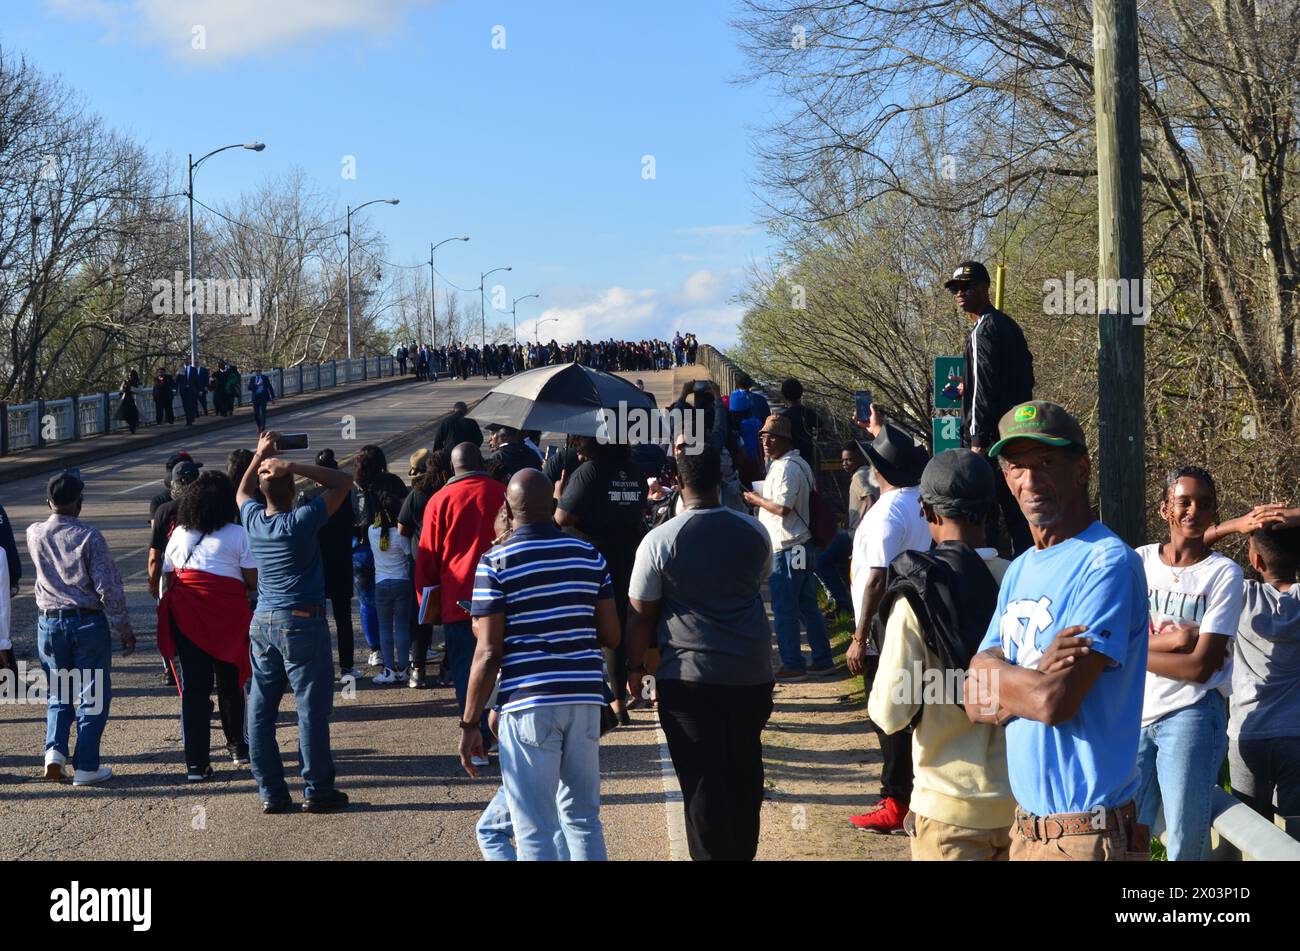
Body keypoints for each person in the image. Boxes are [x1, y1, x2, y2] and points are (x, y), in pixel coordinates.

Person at [964, 401, 1150, 862]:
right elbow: (971, 695)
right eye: (1016, 467)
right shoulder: (1020, 569)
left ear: (1081, 468)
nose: (1030, 481)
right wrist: (1033, 673)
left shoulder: (1107, 563)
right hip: (1025, 828)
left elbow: (1054, 702)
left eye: (1045, 463)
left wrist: (1007, 681)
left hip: (1087, 836)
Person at [460, 468, 620, 861]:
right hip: (583, 698)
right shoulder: (589, 555)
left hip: (528, 702)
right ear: (553, 503)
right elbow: (612, 635)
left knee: (534, 827)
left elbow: (489, 652)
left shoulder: (495, 562)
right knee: (582, 818)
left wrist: (469, 723)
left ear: (509, 510)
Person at [626, 445, 774, 860]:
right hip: (751, 674)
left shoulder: (660, 540)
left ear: (677, 479)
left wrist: (636, 668)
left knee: (702, 781)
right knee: (745, 773)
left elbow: (640, 615)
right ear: (723, 478)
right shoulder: (753, 530)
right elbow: (759, 579)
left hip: (689, 680)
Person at [866, 450, 1015, 859]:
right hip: (1022, 808)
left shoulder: (917, 592)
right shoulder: (1023, 581)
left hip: (947, 809)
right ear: (990, 509)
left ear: (925, 511)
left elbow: (889, 712)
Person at [237, 429, 354, 814]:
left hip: (263, 621)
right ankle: (317, 787)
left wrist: (260, 457)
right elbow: (344, 481)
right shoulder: (302, 520)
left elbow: (241, 493)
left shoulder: (254, 520)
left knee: (260, 710)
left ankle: (271, 791)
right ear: (293, 492)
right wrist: (293, 464)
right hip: (302, 620)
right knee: (310, 708)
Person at [1134, 467, 1243, 860]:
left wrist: (1138, 653)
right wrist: (1177, 640)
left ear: (1215, 513)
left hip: (1193, 713)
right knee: (1128, 832)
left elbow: (1202, 667)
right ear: (1165, 508)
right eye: (1184, 501)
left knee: (1182, 839)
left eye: (1205, 504)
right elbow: (1110, 638)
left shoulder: (1224, 574)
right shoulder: (1139, 561)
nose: (1194, 510)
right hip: (1135, 713)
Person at [846, 420, 931, 833]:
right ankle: (913, 796)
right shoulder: (920, 501)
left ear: (879, 470)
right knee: (914, 710)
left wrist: (859, 637)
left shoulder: (888, 511)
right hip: (917, 615)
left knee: (886, 714)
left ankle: (895, 798)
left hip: (883, 623)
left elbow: (875, 576)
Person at [28, 470, 136, 786]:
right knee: (93, 695)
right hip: (86, 622)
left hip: (49, 623)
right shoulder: (89, 537)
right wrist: (124, 627)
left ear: (48, 501)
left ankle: (54, 753)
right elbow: (109, 588)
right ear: (80, 502)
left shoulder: (33, 533)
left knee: (59, 692)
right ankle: (87, 766)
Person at [157, 471, 256, 780]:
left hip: (188, 620)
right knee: (231, 683)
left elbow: (167, 576)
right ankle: (238, 748)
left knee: (195, 690)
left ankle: (196, 764)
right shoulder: (238, 534)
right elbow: (252, 582)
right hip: (228, 619)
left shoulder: (178, 535)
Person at [1209, 510, 1300, 830]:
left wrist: (1234, 525)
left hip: (1247, 735)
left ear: (1255, 560)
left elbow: (1191, 548)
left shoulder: (1240, 596)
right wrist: (1292, 516)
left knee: (1251, 831)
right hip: (1296, 736)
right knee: (1295, 832)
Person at [414, 442, 507, 755]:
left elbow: (426, 559)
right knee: (503, 666)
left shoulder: (439, 501)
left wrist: (426, 603)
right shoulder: (502, 492)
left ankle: (477, 737)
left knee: (467, 672)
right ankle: (502, 730)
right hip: (504, 599)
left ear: (452, 468)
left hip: (458, 602)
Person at [555, 438, 647, 724]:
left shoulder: (589, 472)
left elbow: (562, 518)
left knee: (584, 629)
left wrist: (559, 494)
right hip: (628, 556)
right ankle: (620, 701)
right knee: (617, 628)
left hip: (589, 560)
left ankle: (586, 699)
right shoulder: (636, 472)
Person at [945, 260, 1035, 556]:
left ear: (985, 287)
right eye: (955, 288)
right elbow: (1015, 381)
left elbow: (984, 391)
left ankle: (991, 589)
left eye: (966, 286)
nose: (959, 292)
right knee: (1020, 517)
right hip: (1018, 435)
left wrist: (977, 442)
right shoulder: (1008, 326)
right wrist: (966, 387)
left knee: (985, 520)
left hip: (993, 444)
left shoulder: (983, 330)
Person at [742, 415, 834, 681]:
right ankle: (822, 658)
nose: (766, 442)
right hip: (800, 545)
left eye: (772, 437)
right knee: (807, 606)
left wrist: (756, 499)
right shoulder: (797, 464)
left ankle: (793, 663)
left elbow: (783, 508)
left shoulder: (786, 468)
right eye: (763, 437)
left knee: (785, 609)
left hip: (788, 547)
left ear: (786, 440)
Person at [297, 449, 359, 679]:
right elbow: (355, 520)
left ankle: (320, 664)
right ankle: (347, 665)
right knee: (343, 617)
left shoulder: (308, 495)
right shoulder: (346, 493)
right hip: (341, 559)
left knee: (318, 618)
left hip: (317, 562)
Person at [399, 449, 451, 688]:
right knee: (453, 614)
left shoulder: (417, 492)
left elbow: (402, 526)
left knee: (421, 614)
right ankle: (448, 667)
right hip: (449, 561)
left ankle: (417, 669)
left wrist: (412, 548)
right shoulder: (450, 491)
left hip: (422, 558)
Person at [351, 446, 406, 668]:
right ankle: (406, 651)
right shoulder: (392, 481)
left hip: (362, 549)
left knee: (367, 602)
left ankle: (376, 649)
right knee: (401, 602)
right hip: (391, 544)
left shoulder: (354, 488)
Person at [815, 440, 872, 621]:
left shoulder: (859, 476)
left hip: (855, 534)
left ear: (860, 458)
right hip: (856, 530)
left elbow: (869, 499)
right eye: (843, 460)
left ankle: (842, 603)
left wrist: (862, 522)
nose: (845, 464)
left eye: (849, 460)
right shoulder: (872, 473)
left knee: (822, 562)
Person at [369, 485, 413, 685]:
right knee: (402, 626)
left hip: (381, 583)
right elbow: (407, 553)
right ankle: (404, 669)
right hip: (402, 581)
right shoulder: (401, 533)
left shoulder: (372, 531)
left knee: (385, 628)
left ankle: (388, 670)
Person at [779, 378, 819, 469]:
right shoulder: (809, 412)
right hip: (808, 456)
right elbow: (822, 429)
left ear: (784, 396)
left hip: (790, 459)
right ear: (801, 393)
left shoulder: (783, 417)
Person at [247, 367, 275, 433]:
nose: (257, 372)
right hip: (255, 397)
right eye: (256, 371)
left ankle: (262, 427)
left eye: (259, 371)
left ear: (261, 371)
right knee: (256, 414)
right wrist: (257, 385)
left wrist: (273, 397)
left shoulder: (264, 378)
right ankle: (258, 426)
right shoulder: (253, 379)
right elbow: (249, 388)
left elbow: (269, 387)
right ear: (255, 372)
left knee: (263, 412)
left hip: (263, 397)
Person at [177, 359, 200, 426]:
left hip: (191, 390)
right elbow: (178, 380)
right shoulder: (180, 369)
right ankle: (188, 420)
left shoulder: (193, 369)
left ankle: (191, 417)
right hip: (183, 391)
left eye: (187, 360)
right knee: (185, 406)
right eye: (184, 360)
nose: (186, 361)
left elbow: (196, 380)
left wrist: (199, 390)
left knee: (191, 404)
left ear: (189, 361)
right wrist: (174, 389)